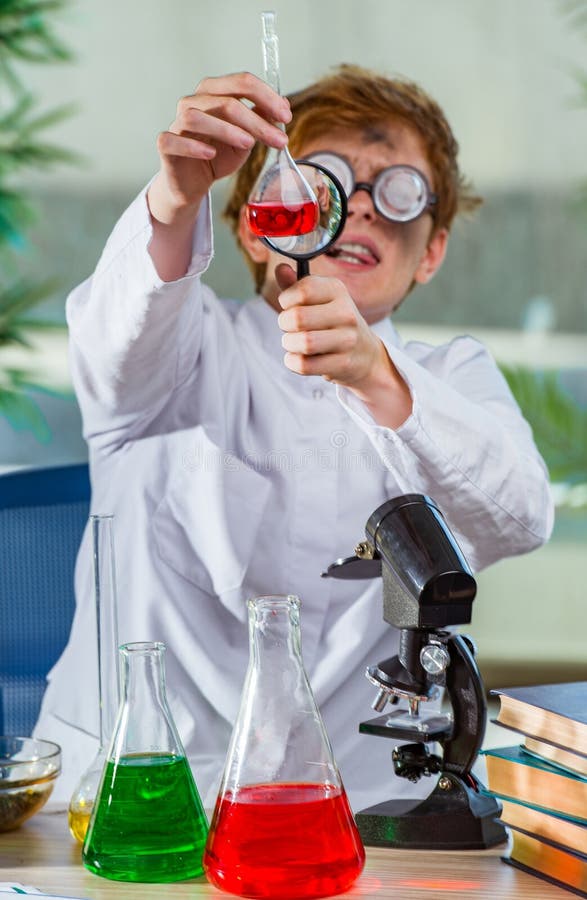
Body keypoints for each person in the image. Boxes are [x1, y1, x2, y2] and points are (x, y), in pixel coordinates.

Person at [34, 65, 553, 812]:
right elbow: (117, 340)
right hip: (134, 802)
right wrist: (178, 198)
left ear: (431, 252)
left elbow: (517, 514)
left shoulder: (449, 379)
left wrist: (377, 374)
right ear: (254, 223)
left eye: (400, 192)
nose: (364, 209)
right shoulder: (181, 347)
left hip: (358, 817)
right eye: (327, 180)